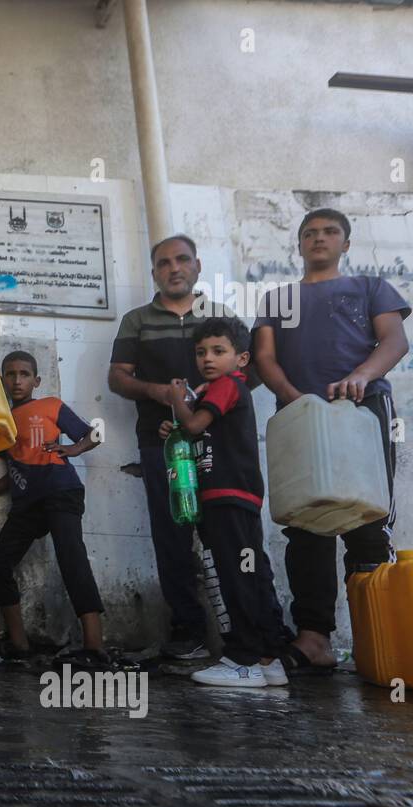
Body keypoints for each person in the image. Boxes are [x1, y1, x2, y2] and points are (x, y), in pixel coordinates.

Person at [253, 208, 409, 675]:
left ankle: (376, 639)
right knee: (307, 523)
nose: (318, 239)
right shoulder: (279, 297)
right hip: (300, 419)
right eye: (309, 233)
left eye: (329, 232)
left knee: (366, 520)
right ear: (298, 244)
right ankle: (315, 638)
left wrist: (361, 376)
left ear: (346, 242)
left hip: (361, 414)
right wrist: (295, 399)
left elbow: (394, 341)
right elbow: (264, 357)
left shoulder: (370, 288)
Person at [109, 235, 253, 661]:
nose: (174, 268)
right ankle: (188, 633)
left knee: (226, 535)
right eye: (164, 262)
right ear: (154, 272)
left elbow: (247, 373)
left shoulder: (221, 317)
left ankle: (247, 638)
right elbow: (117, 378)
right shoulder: (137, 320)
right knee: (171, 535)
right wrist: (157, 392)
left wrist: (211, 398)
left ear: (197, 266)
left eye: (182, 260)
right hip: (162, 445)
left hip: (218, 447)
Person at [163, 318, 289, 688]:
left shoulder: (226, 385)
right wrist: (180, 424)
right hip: (238, 498)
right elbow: (197, 430)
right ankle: (269, 659)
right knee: (252, 575)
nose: (208, 358)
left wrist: (177, 404)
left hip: (226, 495)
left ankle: (243, 659)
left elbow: (196, 425)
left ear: (242, 357)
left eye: (219, 351)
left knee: (233, 576)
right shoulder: (223, 389)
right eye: (201, 352)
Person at [0, 351, 106, 666]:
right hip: (27, 503)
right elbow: (16, 470)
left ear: (35, 380)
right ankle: (19, 643)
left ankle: (94, 645)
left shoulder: (50, 405)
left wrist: (73, 448)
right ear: (2, 380)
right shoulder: (3, 421)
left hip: (61, 491)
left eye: (24, 374)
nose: (17, 380)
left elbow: (94, 434)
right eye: (10, 374)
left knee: (71, 556)